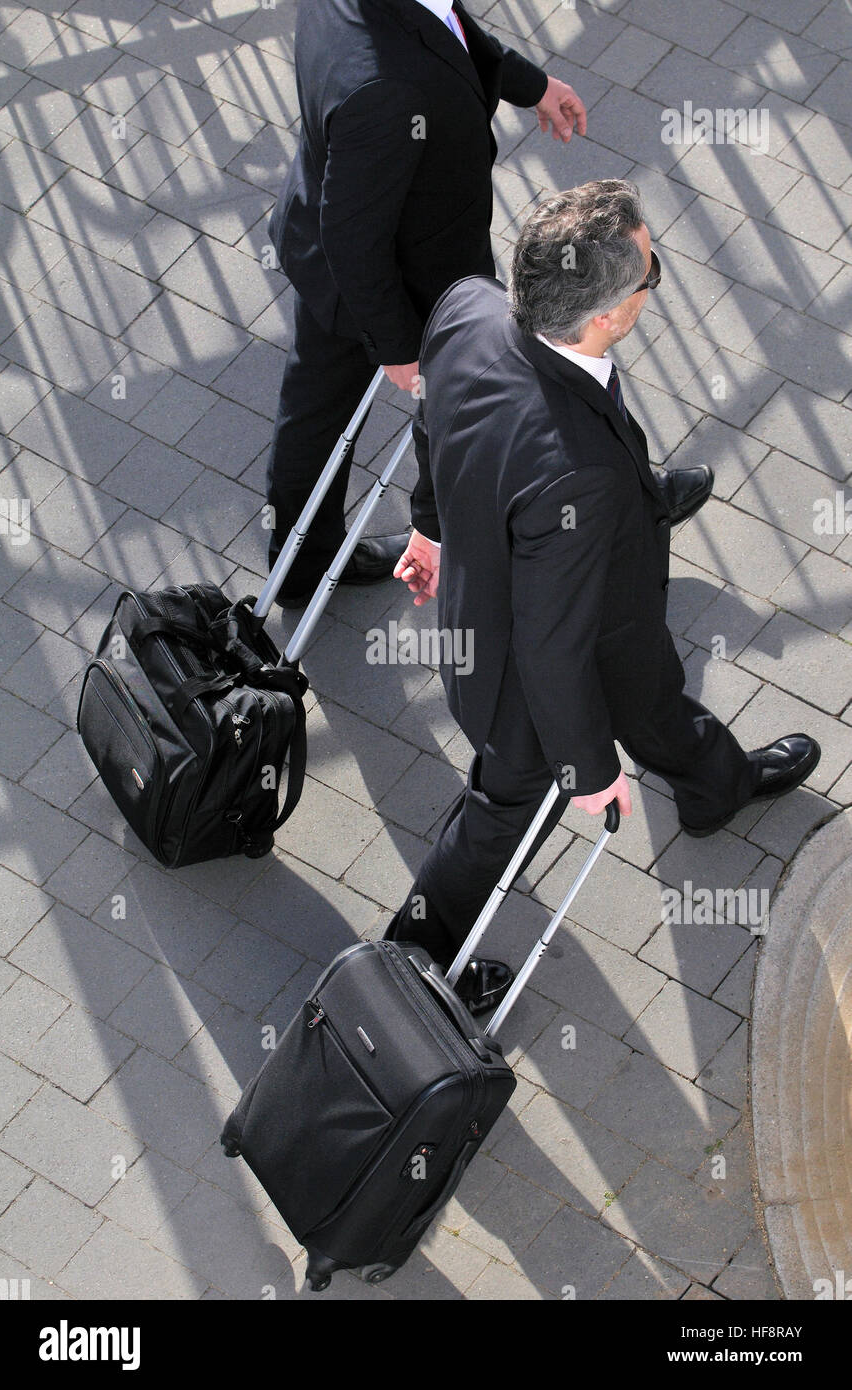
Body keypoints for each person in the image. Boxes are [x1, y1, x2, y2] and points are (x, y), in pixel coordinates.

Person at [387, 180, 820, 1016]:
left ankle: (714, 786)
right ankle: (411, 973)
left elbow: (433, 420)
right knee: (498, 821)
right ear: (610, 313)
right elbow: (550, 647)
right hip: (524, 686)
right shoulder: (569, 469)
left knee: (652, 693)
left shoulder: (469, 308)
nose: (655, 281)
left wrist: (429, 527)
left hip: (602, 617)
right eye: (650, 271)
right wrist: (586, 772)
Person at [264, 0, 708, 608]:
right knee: (541, 377)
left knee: (315, 412)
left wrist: (533, 85)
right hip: (414, 276)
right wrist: (397, 349)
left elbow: (450, 35)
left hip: (324, 249)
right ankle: (626, 505)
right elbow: (356, 239)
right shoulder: (383, 89)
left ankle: (301, 566)